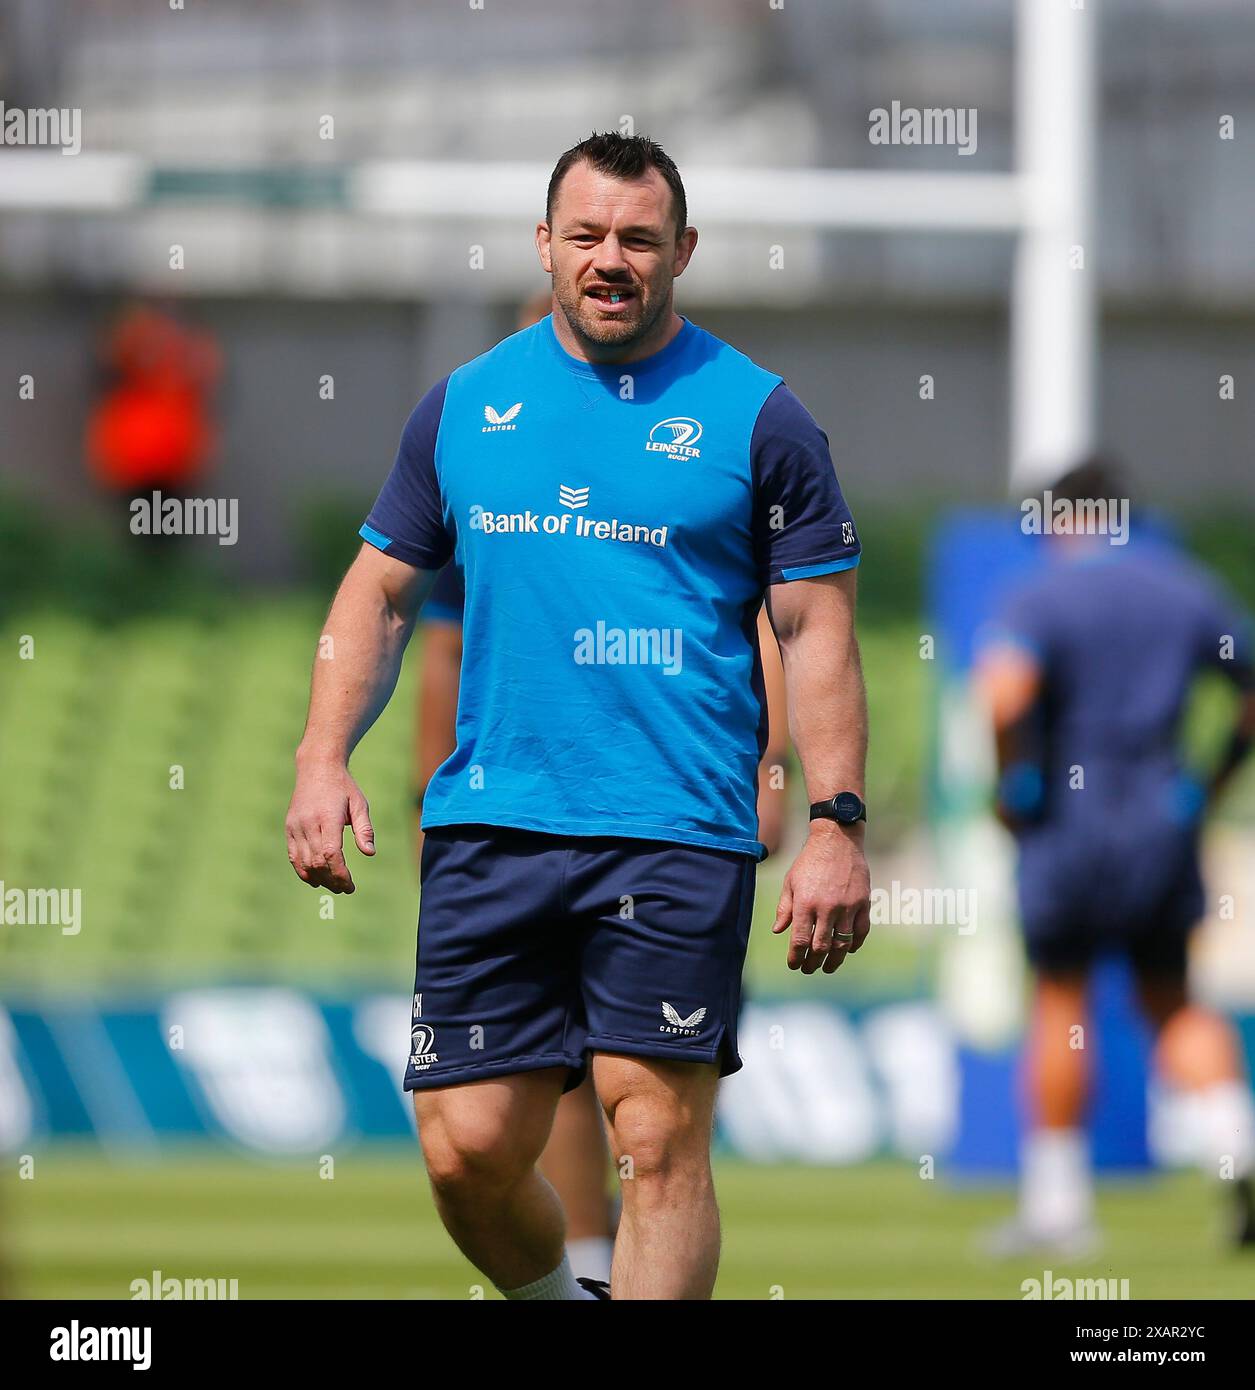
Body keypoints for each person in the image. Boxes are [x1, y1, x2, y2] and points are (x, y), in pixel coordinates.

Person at [286, 131, 870, 1301]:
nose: (613, 259)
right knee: (465, 1149)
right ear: (545, 244)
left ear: (682, 252)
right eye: (589, 236)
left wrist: (835, 820)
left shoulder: (761, 418)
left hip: (675, 824)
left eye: (639, 240)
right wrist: (321, 756)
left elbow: (815, 630)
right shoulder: (463, 406)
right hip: (494, 822)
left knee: (654, 1140)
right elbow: (380, 594)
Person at [978, 458, 1255, 1256]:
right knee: (1170, 998)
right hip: (1161, 823)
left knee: (1060, 1002)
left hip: (1067, 825)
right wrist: (1208, 783)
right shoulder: (1186, 589)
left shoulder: (1041, 596)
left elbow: (1004, 696)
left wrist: (1012, 787)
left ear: (1056, 520)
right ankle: (1234, 1138)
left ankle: (1057, 1208)